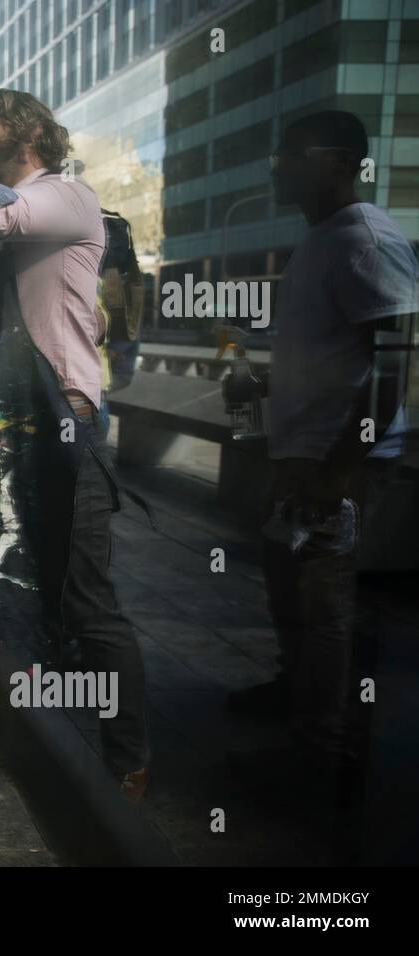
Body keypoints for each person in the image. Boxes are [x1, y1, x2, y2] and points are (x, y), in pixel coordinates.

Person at [0, 89, 149, 802]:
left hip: (61, 434)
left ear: (25, 134)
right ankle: (4, 733)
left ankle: (128, 760)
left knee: (86, 601)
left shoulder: (67, 201)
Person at [226, 111, 417, 784]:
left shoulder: (366, 239)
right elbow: (335, 352)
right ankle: (294, 696)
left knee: (323, 601)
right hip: (302, 455)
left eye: (291, 153)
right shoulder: (323, 239)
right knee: (289, 588)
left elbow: (394, 358)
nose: (278, 166)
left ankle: (321, 752)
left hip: (341, 463)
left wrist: (342, 465)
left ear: (337, 161)